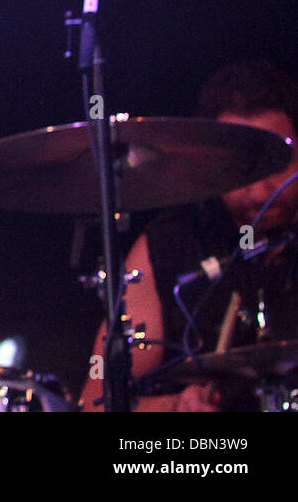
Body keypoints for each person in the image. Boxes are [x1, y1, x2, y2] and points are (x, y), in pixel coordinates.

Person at [80, 59, 298, 411]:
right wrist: (174, 406)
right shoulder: (167, 245)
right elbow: (96, 403)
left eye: (278, 165)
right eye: (243, 169)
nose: (260, 192)